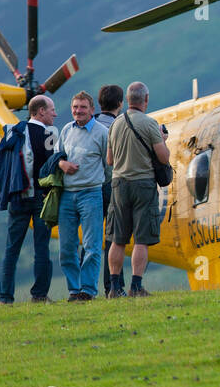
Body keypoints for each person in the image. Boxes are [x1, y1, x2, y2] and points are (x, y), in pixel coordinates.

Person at [105, 81, 171, 297]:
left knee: (117, 239)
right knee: (141, 238)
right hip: (143, 184)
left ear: (127, 100)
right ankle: (135, 286)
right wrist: (162, 140)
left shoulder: (115, 124)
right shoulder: (150, 123)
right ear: (146, 99)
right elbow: (163, 157)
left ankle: (114, 287)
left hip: (119, 185)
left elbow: (110, 160)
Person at [0, 94, 57, 303]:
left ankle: (5, 297)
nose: (54, 114)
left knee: (11, 249)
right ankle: (39, 295)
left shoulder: (14, 132)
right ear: (41, 111)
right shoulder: (49, 135)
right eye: (51, 110)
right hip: (40, 197)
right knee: (41, 248)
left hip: (17, 197)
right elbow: (53, 168)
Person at [57, 90, 110, 300]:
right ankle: (74, 289)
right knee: (67, 247)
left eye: (83, 107)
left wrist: (96, 182)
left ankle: (87, 290)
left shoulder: (102, 132)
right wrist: (62, 164)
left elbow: (109, 166)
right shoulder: (66, 130)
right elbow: (57, 157)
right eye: (75, 107)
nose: (78, 111)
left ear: (92, 110)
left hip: (91, 193)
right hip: (67, 196)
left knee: (92, 245)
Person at [95, 83, 124, 295]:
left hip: (91, 187)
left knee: (90, 239)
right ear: (120, 104)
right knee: (114, 238)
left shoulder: (89, 125)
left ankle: (81, 288)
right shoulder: (120, 127)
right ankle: (113, 286)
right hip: (112, 186)